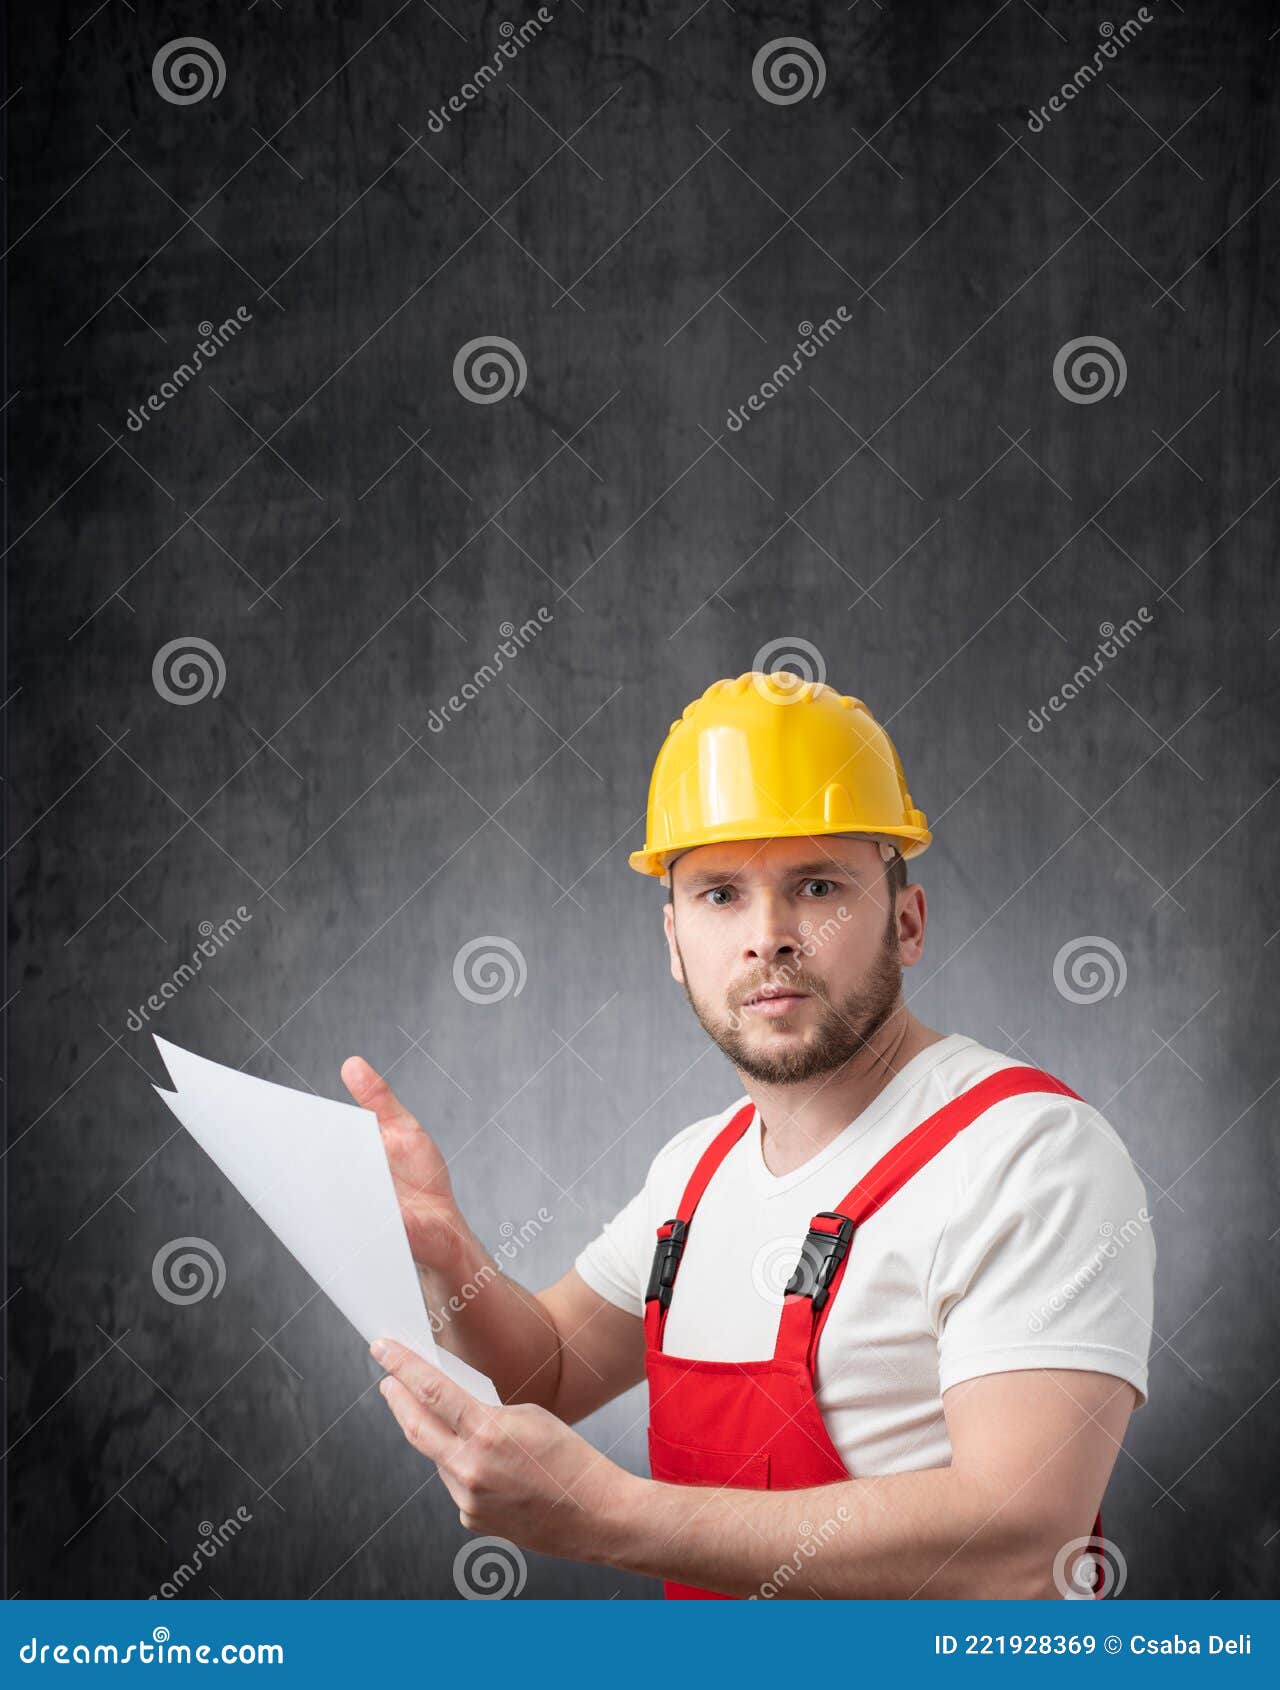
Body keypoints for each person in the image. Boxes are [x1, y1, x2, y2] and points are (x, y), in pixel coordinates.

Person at [345, 670, 1156, 1599]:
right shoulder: (695, 1172)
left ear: (905, 922)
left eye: (817, 885)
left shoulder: (1030, 1155)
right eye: (721, 894)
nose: (768, 936)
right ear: (673, 943)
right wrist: (449, 1254)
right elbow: (548, 1374)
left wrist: (611, 1517)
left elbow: (1021, 1535)